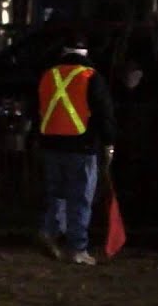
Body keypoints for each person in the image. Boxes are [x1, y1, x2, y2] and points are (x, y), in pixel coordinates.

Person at [36, 33, 117, 265]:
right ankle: (77, 248)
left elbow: (37, 109)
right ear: (86, 54)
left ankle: (50, 231)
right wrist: (109, 141)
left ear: (63, 53)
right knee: (80, 197)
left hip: (51, 144)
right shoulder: (90, 77)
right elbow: (104, 113)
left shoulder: (48, 75)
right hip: (81, 145)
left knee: (56, 193)